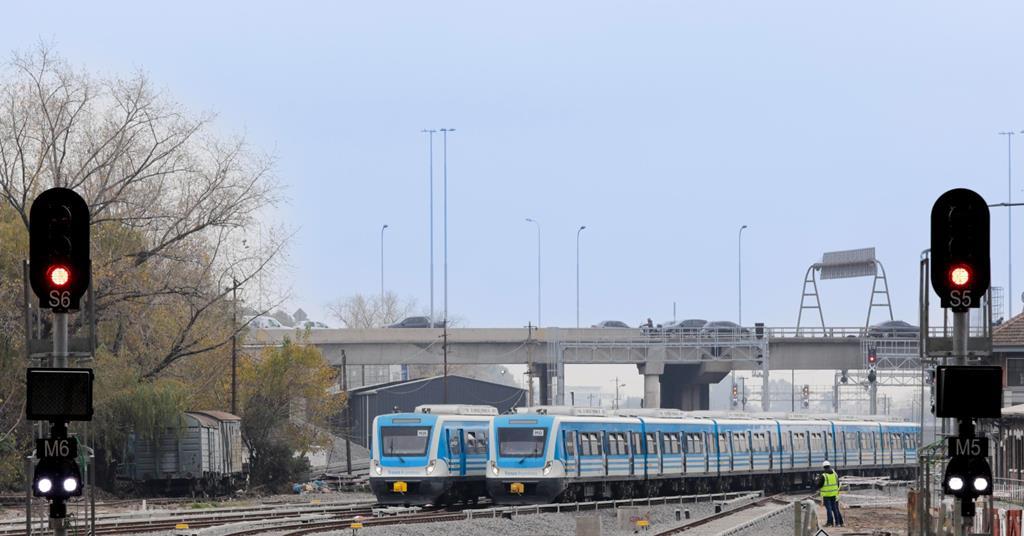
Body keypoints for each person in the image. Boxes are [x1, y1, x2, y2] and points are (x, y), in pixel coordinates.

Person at [817, 460, 844, 527]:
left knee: (829, 509)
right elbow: (837, 484)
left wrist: (817, 480)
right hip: (834, 494)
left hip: (826, 495)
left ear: (823, 467)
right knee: (835, 509)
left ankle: (830, 523)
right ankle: (838, 523)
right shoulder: (834, 474)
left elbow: (819, 485)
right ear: (829, 466)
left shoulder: (823, 475)